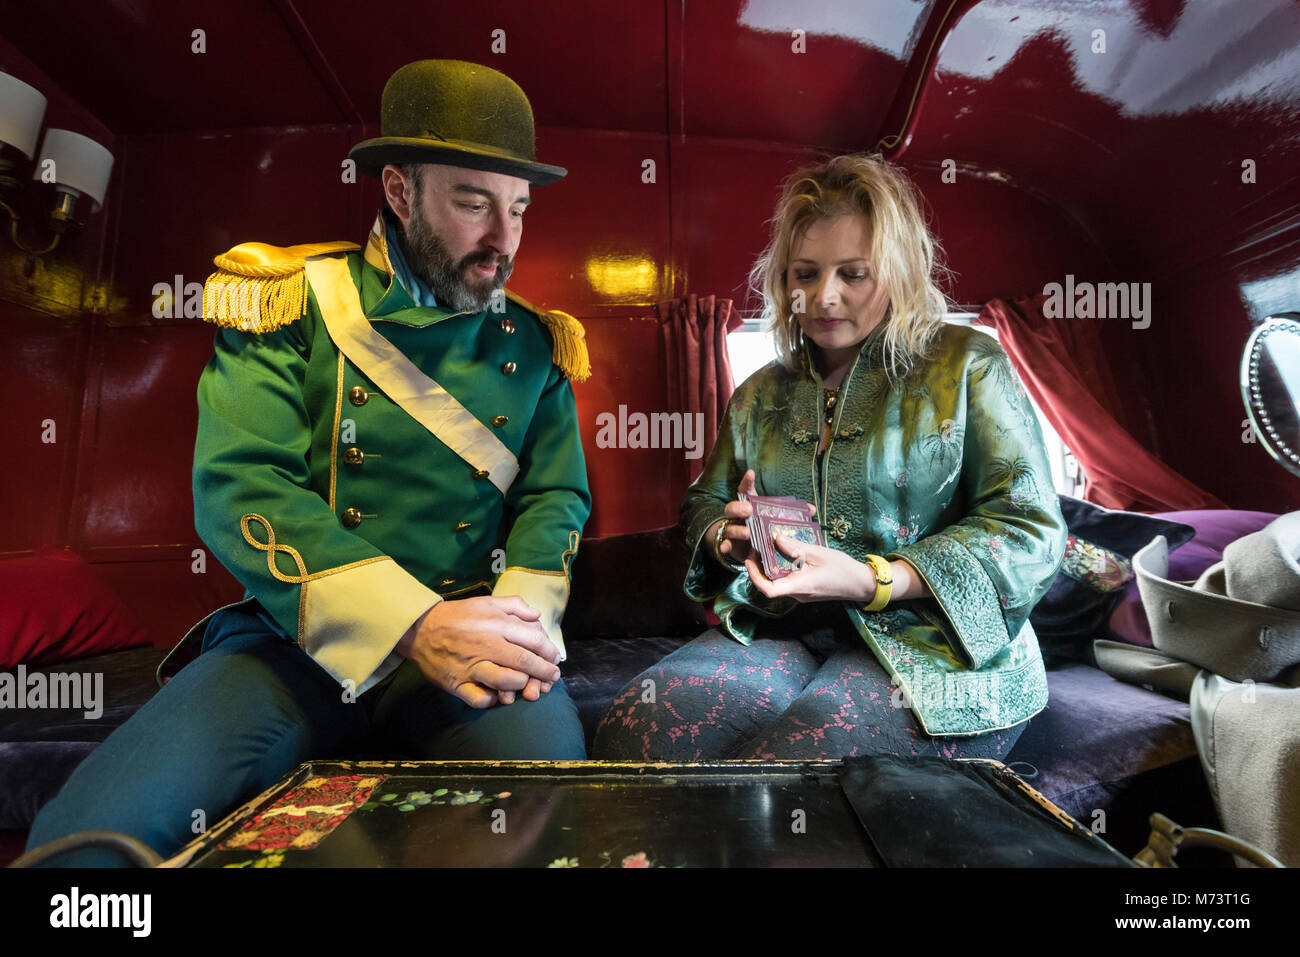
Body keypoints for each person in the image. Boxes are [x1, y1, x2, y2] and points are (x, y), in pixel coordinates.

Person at [24, 60, 592, 866]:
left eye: (520, 209)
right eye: (474, 202)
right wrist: (411, 625)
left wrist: (518, 624)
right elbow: (242, 487)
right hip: (294, 642)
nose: (504, 239)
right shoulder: (291, 299)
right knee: (85, 845)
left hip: (473, 625)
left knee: (540, 812)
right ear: (399, 191)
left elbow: (556, 495)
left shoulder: (537, 344)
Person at [594, 154, 1066, 762]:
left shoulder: (969, 364)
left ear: (897, 274)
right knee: (639, 730)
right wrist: (724, 537)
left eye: (854, 274)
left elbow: (1027, 528)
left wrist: (875, 580)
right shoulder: (760, 393)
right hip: (784, 627)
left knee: (802, 769)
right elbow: (705, 503)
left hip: (935, 643)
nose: (825, 296)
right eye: (806, 273)